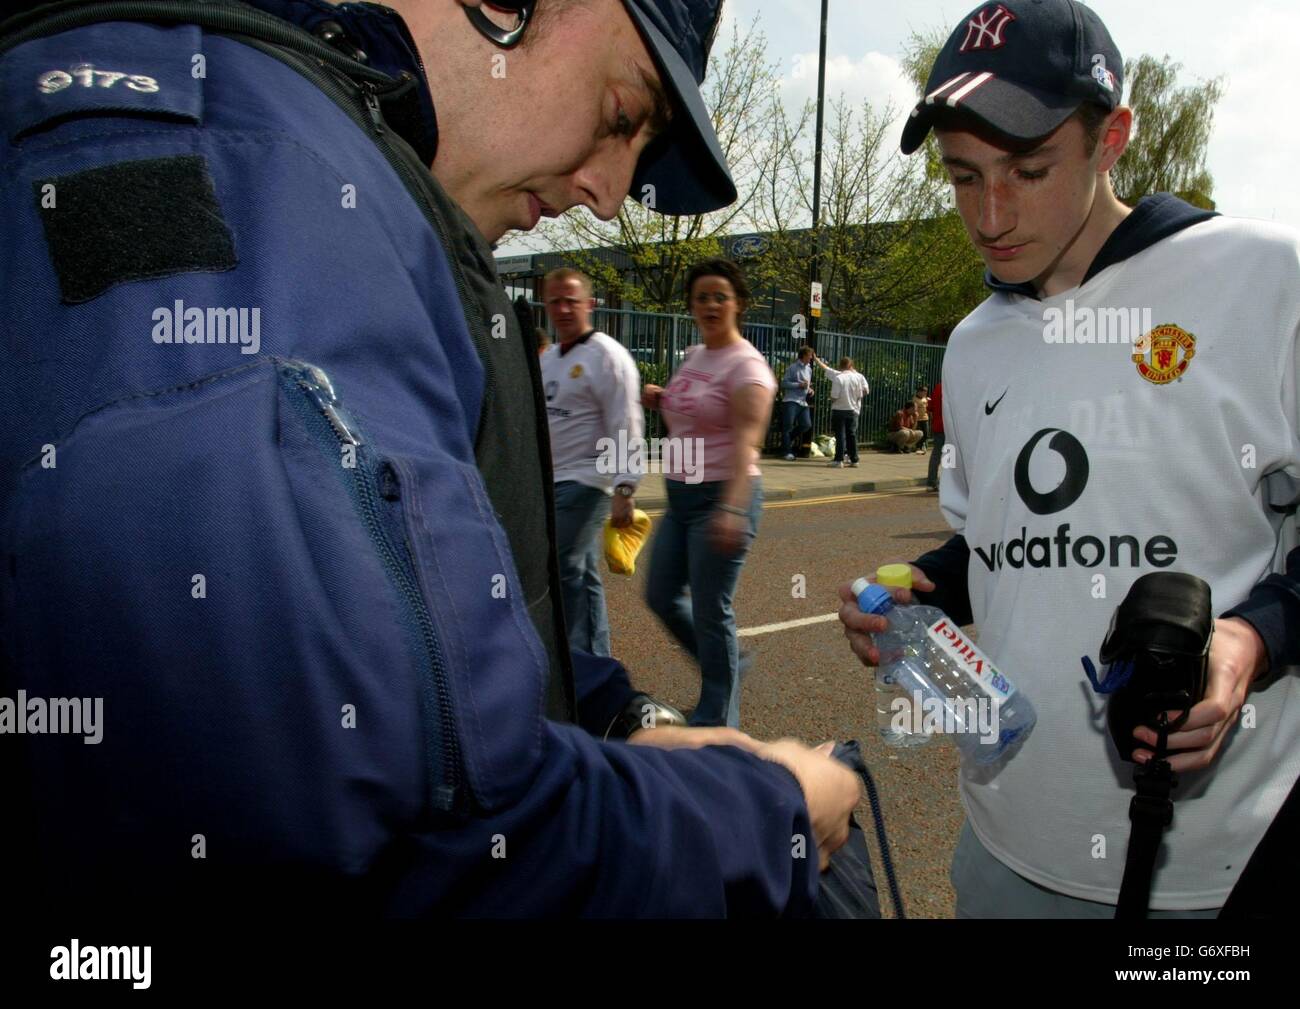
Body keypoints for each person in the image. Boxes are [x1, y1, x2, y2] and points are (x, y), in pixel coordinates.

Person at [0, 0, 863, 917]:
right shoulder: (238, 181)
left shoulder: (348, 184)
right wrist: (770, 812)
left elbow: (443, 614)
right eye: (621, 115)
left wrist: (614, 715)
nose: (611, 192)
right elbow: (399, 844)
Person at [838, 0, 1300, 918]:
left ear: (1112, 138)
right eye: (964, 177)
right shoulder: (973, 344)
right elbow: (999, 545)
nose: (992, 215)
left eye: (1030, 169)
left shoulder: (1266, 280)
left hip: (1214, 872)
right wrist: (918, 587)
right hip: (1005, 850)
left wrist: (1252, 639)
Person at [641, 259, 776, 728]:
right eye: (702, 297)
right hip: (680, 501)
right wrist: (662, 398)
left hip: (722, 497)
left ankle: (720, 720)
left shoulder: (748, 368)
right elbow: (691, 413)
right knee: (660, 595)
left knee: (709, 610)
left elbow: (747, 442)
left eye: (721, 296)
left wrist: (733, 508)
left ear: (738, 303)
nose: (711, 304)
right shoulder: (696, 355)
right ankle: (727, 663)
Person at [541, 267, 641, 657]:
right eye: (555, 301)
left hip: (589, 480)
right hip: (553, 480)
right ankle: (596, 661)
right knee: (581, 572)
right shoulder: (550, 357)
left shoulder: (608, 356)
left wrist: (625, 487)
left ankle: (577, 662)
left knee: (563, 565)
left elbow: (625, 421)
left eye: (572, 300)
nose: (564, 309)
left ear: (590, 304)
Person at [813, 354, 869, 467]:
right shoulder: (858, 377)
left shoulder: (839, 378)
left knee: (840, 435)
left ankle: (839, 460)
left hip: (839, 409)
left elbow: (834, 396)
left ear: (840, 366)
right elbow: (863, 392)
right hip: (853, 410)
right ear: (851, 365)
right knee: (851, 435)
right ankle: (854, 459)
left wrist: (832, 400)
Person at [779, 346, 815, 461]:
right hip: (791, 400)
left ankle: (787, 441)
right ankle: (786, 452)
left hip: (802, 402)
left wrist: (809, 390)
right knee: (788, 426)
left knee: (806, 424)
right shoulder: (793, 367)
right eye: (810, 355)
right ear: (804, 355)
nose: (811, 358)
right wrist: (798, 385)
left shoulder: (809, 369)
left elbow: (807, 385)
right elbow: (784, 383)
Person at [926, 380, 944, 492]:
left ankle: (931, 481)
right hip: (949, 427)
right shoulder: (956, 387)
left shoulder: (938, 387)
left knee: (936, 455)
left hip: (938, 425)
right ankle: (948, 482)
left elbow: (930, 407)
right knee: (949, 456)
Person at [912, 384, 930, 453]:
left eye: (926, 392)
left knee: (926, 434)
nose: (925, 393)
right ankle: (918, 447)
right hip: (918, 419)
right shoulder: (914, 399)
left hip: (925, 418)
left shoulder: (926, 399)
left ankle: (923, 445)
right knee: (919, 434)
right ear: (919, 392)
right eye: (924, 391)